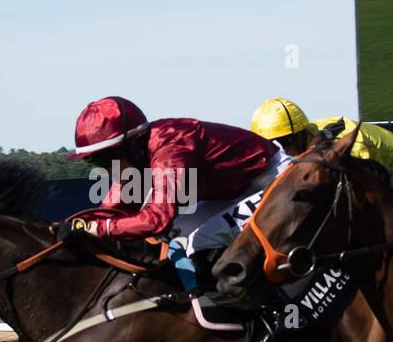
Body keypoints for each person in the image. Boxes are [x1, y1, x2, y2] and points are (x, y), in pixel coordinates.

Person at [61, 96, 288, 292]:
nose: (104, 169)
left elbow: (157, 220)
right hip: (233, 192)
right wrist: (73, 226)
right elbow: (109, 212)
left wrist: (98, 228)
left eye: (104, 159)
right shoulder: (138, 155)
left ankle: (256, 306)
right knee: (182, 239)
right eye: (94, 161)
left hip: (272, 180)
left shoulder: (170, 148)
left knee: (196, 241)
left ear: (132, 145)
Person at [248, 97, 393, 197]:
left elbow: (367, 190)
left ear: (300, 133)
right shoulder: (304, 137)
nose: (281, 151)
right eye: (272, 145)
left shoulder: (351, 148)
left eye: (284, 142)